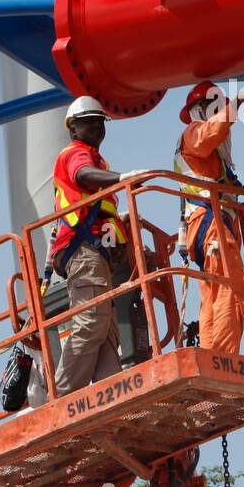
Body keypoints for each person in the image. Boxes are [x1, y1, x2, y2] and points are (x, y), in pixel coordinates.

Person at [49, 95, 151, 395]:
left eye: (99, 122)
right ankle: (63, 396)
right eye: (87, 122)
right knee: (91, 322)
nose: (95, 126)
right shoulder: (75, 154)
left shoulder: (96, 161)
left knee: (106, 331)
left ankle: (111, 391)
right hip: (83, 251)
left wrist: (121, 221)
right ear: (73, 129)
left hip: (97, 254)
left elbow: (94, 205)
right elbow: (82, 175)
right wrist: (121, 178)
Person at [173, 81, 244, 355]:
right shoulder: (194, 133)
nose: (222, 114)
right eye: (216, 107)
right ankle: (223, 360)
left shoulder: (213, 160)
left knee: (212, 298)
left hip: (206, 228)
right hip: (211, 227)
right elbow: (212, 131)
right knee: (234, 292)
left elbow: (226, 187)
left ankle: (210, 357)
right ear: (200, 110)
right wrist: (238, 103)